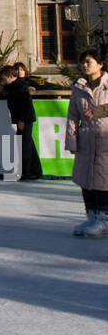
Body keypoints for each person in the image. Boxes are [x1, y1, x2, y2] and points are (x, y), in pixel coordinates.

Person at [65, 48, 108, 238]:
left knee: (102, 180)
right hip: (86, 140)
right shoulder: (78, 87)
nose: (84, 65)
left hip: (105, 139)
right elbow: (72, 116)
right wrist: (72, 140)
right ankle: (91, 215)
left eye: (88, 62)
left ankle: (103, 219)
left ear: (100, 64)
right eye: (82, 62)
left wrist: (99, 111)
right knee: (85, 179)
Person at [1, 64, 43, 182]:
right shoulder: (13, 86)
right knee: (28, 144)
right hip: (22, 119)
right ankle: (36, 171)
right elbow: (7, 92)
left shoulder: (19, 87)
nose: (3, 81)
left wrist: (22, 120)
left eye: (4, 78)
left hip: (24, 119)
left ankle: (26, 172)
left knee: (24, 146)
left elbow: (26, 104)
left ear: (10, 76)